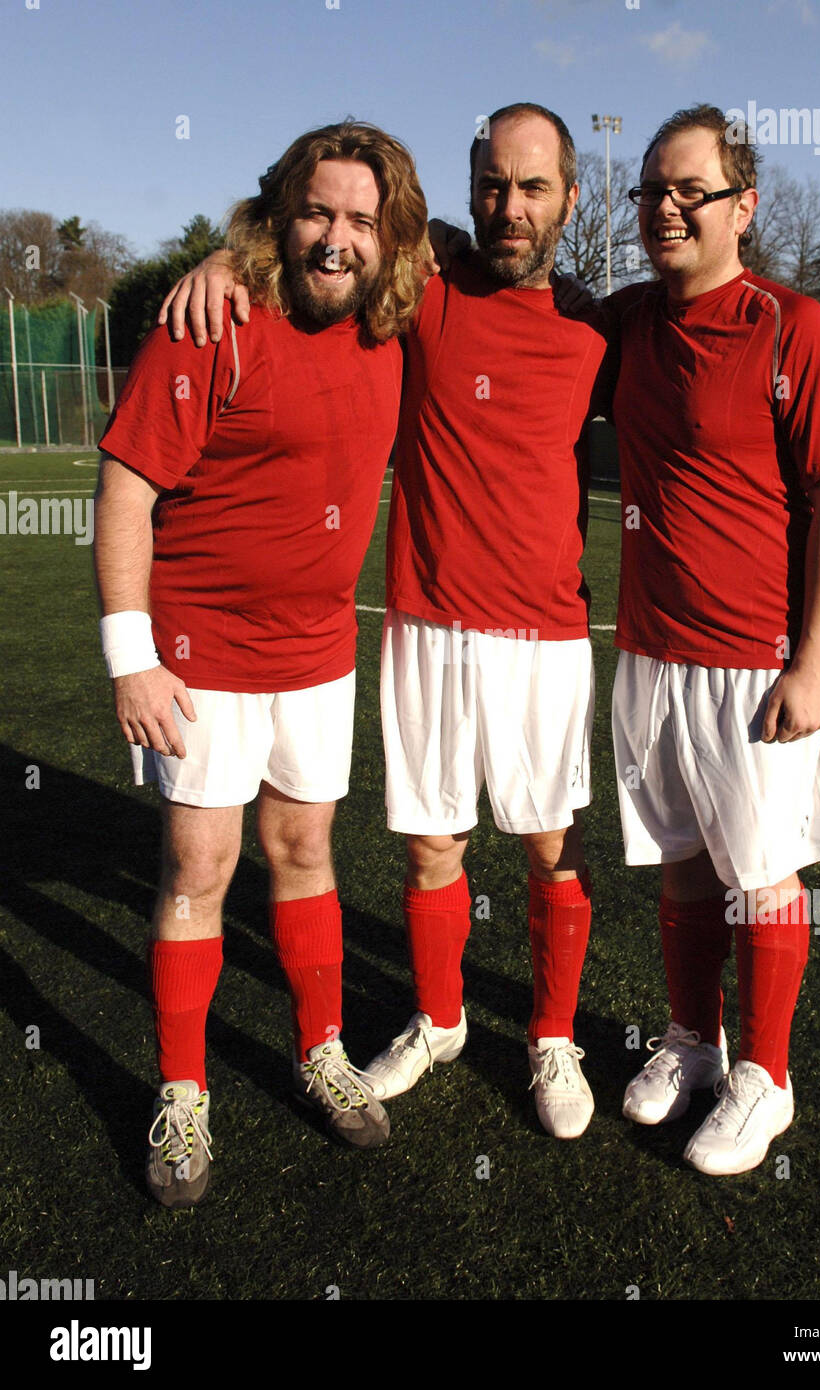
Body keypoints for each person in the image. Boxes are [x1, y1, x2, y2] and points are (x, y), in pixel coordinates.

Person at [161, 104, 609, 1140]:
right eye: (492, 185)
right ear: (467, 189)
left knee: (550, 847)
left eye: (532, 187)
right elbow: (316, 234)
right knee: (428, 850)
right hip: (424, 620)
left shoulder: (602, 324)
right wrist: (225, 260)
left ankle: (551, 1036)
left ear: (566, 200)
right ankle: (440, 1017)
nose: (509, 206)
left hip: (543, 630)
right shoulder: (418, 290)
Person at [94, 121, 429, 1206]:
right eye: (317, 213)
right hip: (200, 653)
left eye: (361, 221)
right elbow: (127, 492)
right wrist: (130, 658)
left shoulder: (395, 325)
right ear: (280, 216)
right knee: (199, 866)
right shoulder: (215, 321)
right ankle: (184, 1091)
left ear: (392, 239)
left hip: (319, 652)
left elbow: (505, 256)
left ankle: (320, 1047)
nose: (337, 239)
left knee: (303, 849)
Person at [606, 104, 820, 1174]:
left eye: (688, 191)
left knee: (759, 873)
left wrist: (811, 661)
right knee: (680, 865)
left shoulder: (790, 325)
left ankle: (767, 1076)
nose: (664, 208)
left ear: (740, 207)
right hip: (648, 652)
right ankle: (694, 1043)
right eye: (651, 192)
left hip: (755, 659)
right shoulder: (623, 323)